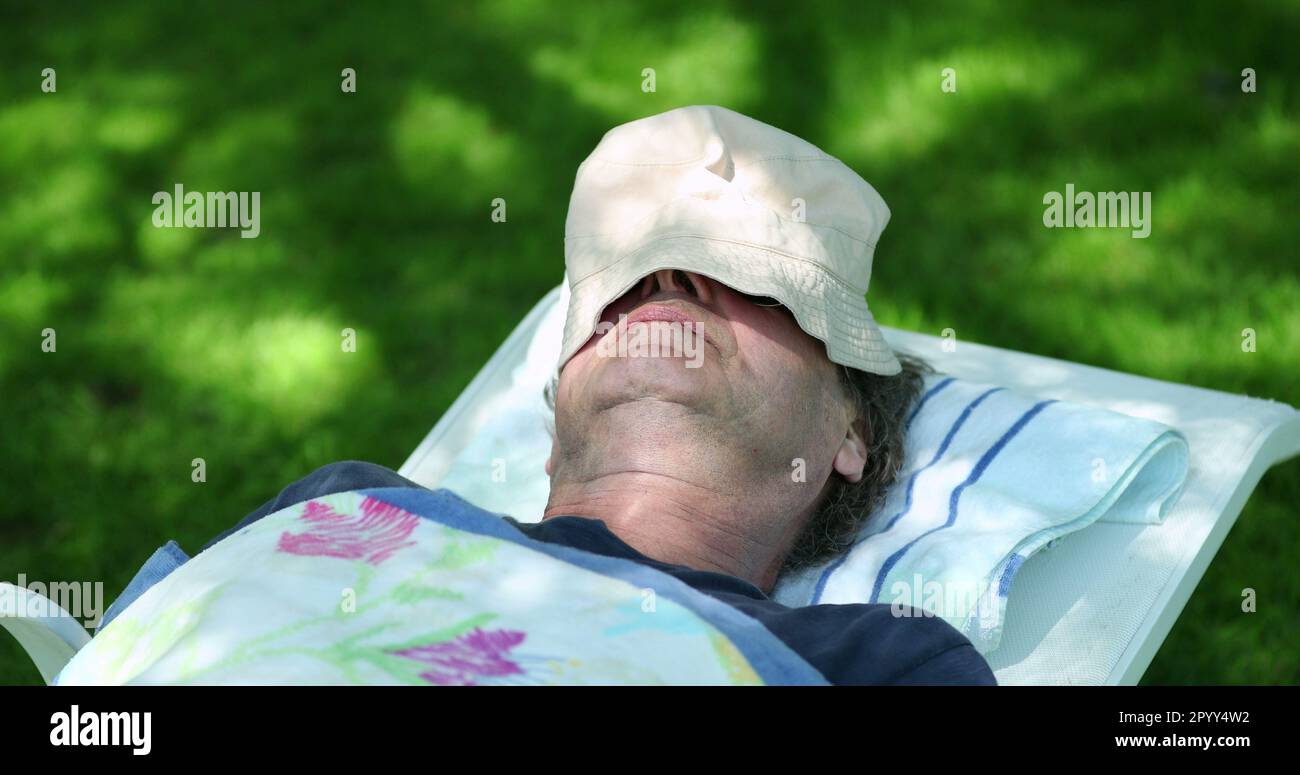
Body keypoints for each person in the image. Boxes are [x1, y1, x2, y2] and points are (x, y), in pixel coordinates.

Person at [103, 106, 996, 686]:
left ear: (849, 430)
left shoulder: (882, 663)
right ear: (555, 423)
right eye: (628, 284)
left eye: (756, 286)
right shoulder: (351, 502)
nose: (669, 283)